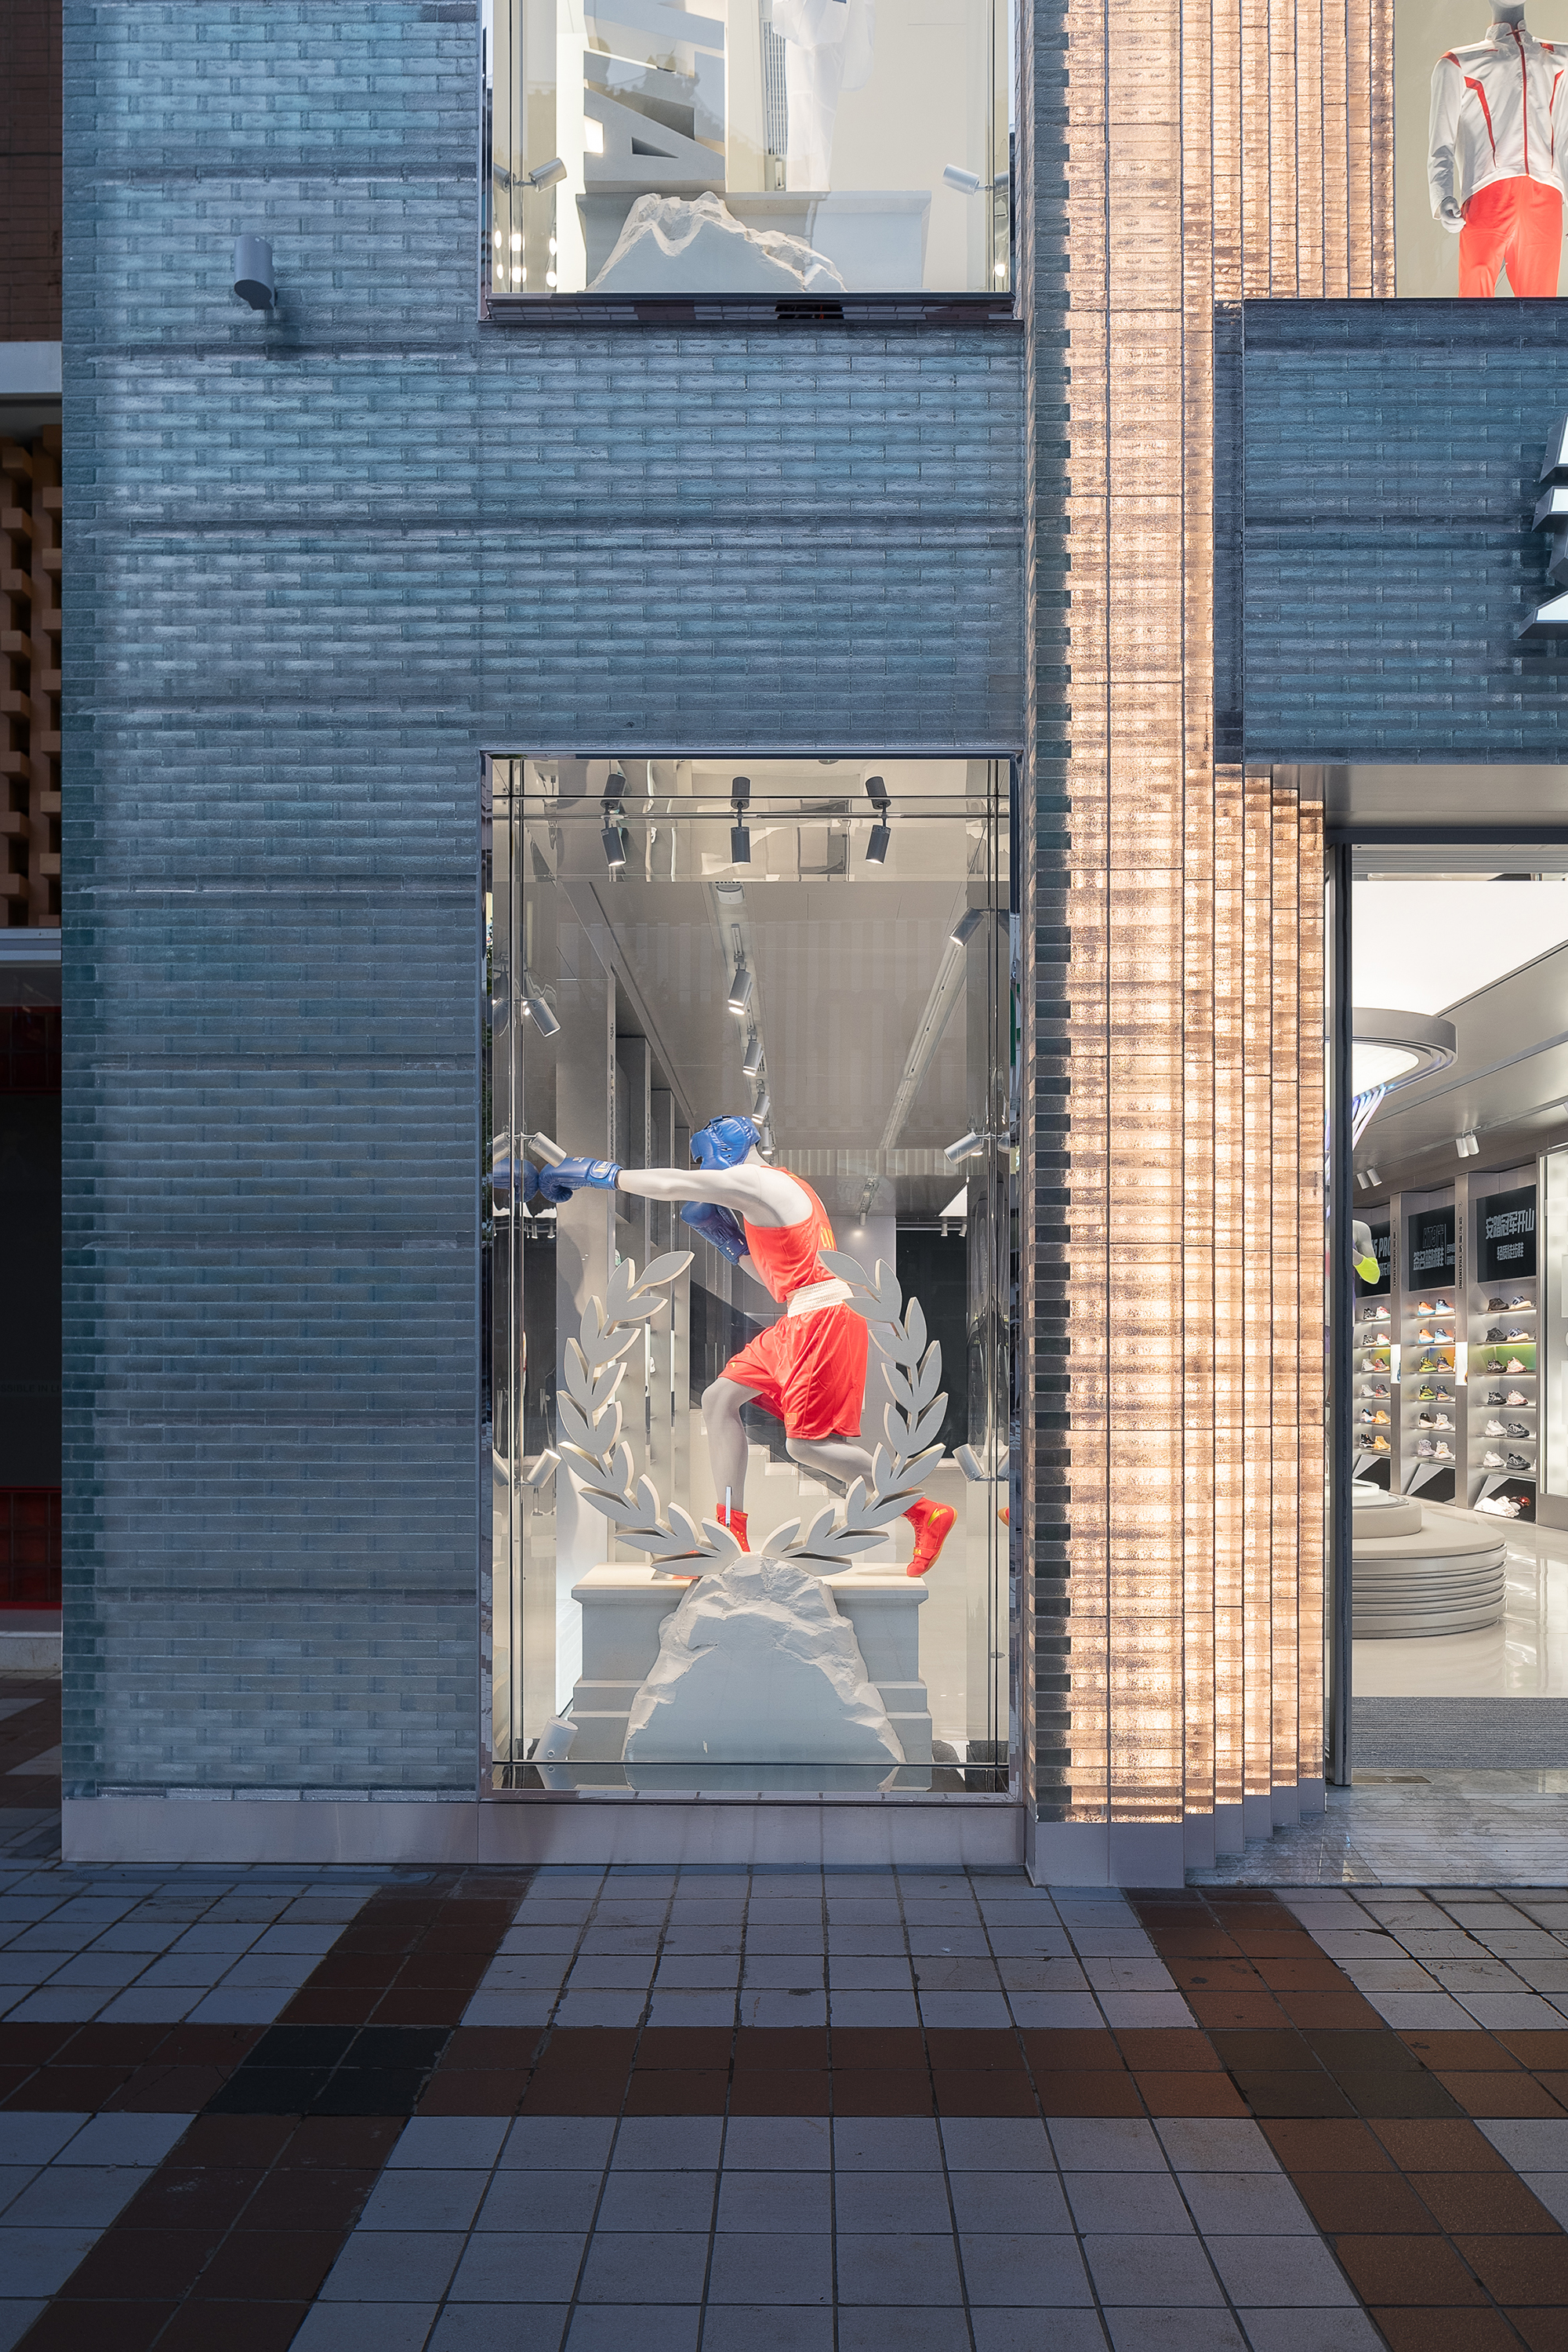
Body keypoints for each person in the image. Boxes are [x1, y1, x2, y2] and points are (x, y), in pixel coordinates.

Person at [535, 1113, 955, 1575]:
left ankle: (924, 1511)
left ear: (723, 1146)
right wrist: (727, 1240)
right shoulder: (767, 1190)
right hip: (802, 1313)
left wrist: (599, 1173)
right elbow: (778, 1281)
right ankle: (729, 1534)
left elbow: (675, 1185)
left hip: (823, 1316)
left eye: (702, 1157)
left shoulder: (756, 1181)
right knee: (719, 1399)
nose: (701, 1168)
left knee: (807, 1446)